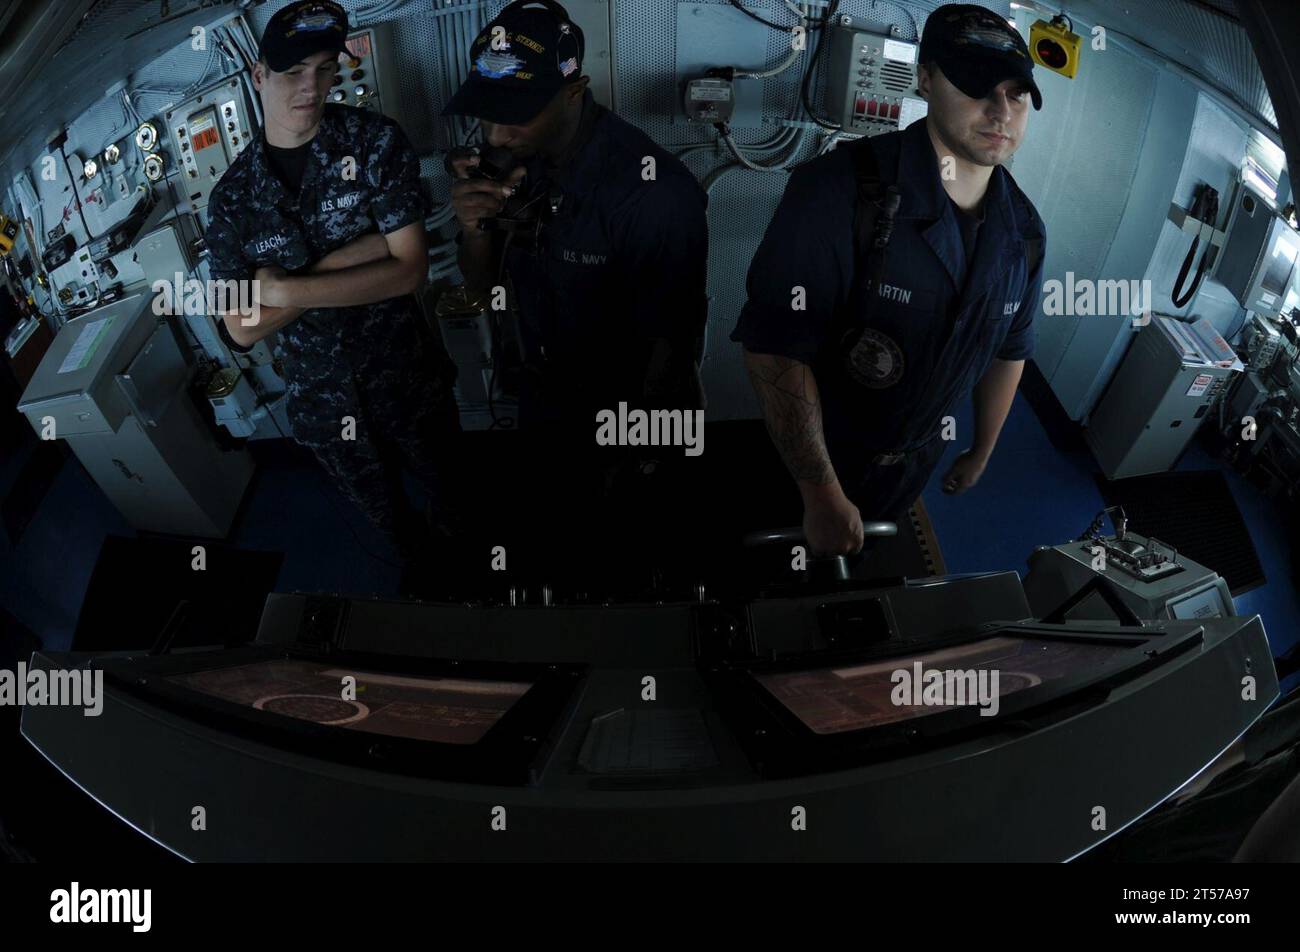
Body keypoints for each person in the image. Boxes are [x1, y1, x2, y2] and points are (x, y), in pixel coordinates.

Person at [734, 3, 1047, 559]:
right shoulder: (837, 190)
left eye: (1016, 93)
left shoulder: (1022, 234)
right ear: (925, 80)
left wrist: (981, 449)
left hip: (910, 466)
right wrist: (819, 490)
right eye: (976, 85)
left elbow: (1009, 350)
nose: (1001, 110)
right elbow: (775, 351)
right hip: (810, 457)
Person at [441, 0, 709, 587]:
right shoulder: (515, 157)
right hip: (544, 392)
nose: (497, 133)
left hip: (626, 410)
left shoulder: (652, 194)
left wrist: (641, 457)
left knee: (626, 552)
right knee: (556, 533)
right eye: (487, 114)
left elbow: (672, 350)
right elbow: (483, 290)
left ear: (574, 90)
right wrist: (475, 227)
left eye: (516, 115)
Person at [205, 0, 460, 578]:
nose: (311, 86)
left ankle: (481, 593)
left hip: (406, 378)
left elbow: (409, 271)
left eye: (324, 69)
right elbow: (241, 329)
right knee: (392, 526)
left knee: (456, 498)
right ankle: (428, 587)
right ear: (259, 76)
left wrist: (285, 290)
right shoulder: (232, 200)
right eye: (293, 72)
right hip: (324, 403)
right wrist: (360, 252)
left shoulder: (373, 144)